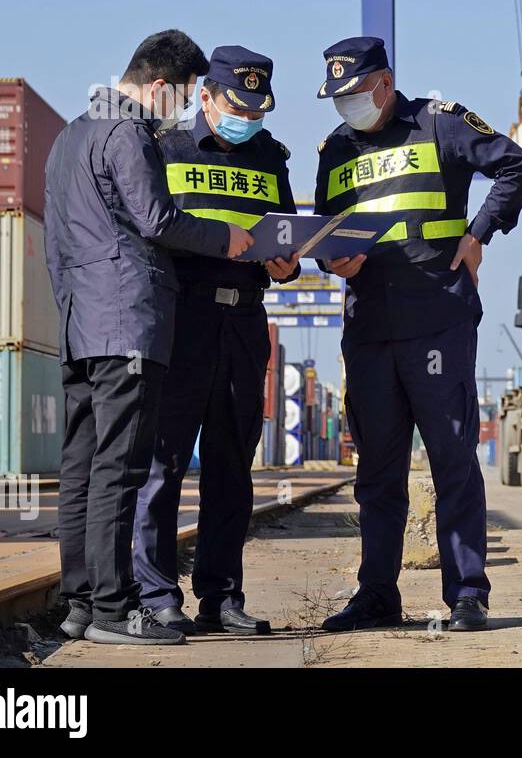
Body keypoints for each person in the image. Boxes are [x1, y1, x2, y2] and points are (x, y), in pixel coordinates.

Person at [312, 37, 522, 633]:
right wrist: (330, 263)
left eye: (354, 93)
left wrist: (480, 233)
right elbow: (321, 233)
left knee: (452, 462)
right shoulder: (335, 149)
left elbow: (517, 165)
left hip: (436, 319)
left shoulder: (439, 123)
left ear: (383, 83)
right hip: (369, 331)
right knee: (377, 472)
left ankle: (467, 593)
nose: (345, 106)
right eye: (336, 97)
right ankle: (377, 595)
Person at [43, 30, 254, 646]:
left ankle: (80, 602)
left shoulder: (70, 133)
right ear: (159, 86)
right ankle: (115, 608)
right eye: (185, 96)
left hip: (81, 322)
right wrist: (225, 238)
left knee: (80, 466)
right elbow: (156, 218)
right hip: (129, 322)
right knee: (122, 467)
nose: (184, 110)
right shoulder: (130, 132)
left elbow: (57, 242)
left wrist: (73, 310)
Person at [132, 46, 300, 636]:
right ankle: (156, 596)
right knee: (164, 462)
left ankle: (221, 597)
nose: (248, 118)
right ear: (205, 95)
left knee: (232, 466)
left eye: (258, 109)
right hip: (181, 322)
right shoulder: (164, 146)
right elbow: (150, 230)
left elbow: (285, 235)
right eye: (237, 105)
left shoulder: (270, 158)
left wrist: (286, 265)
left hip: (245, 323)